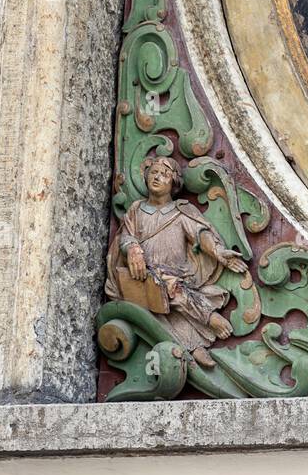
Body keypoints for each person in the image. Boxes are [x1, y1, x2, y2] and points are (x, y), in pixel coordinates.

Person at [105, 155, 247, 367]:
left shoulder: (181, 210)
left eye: (164, 174)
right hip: (141, 276)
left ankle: (193, 345)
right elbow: (125, 236)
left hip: (177, 275)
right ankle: (208, 318)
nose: (157, 177)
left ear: (174, 182)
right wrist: (132, 248)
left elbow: (200, 235)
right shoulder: (136, 209)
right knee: (164, 287)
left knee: (169, 290)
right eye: (153, 172)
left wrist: (218, 252)